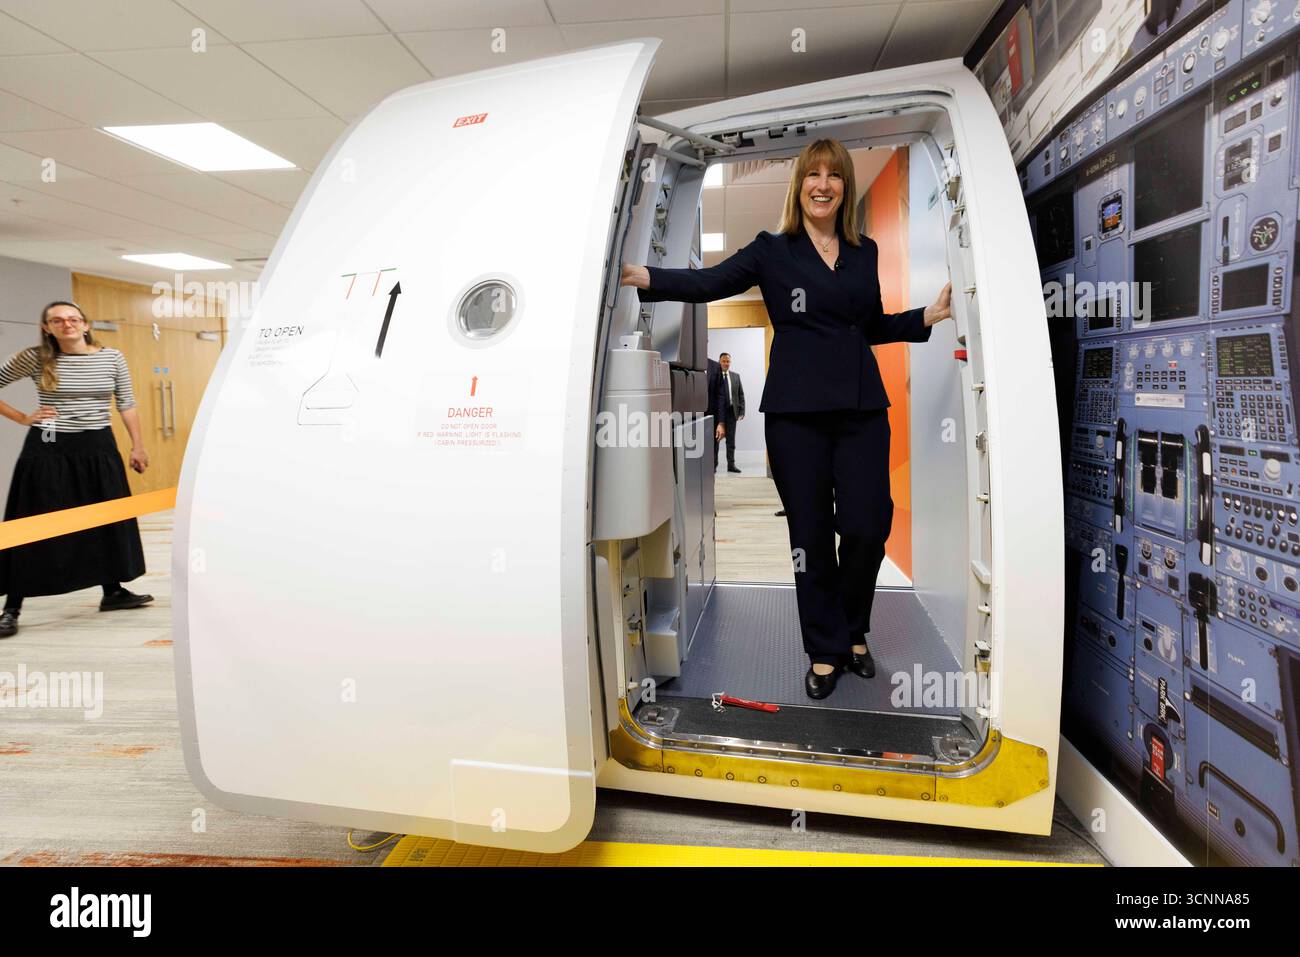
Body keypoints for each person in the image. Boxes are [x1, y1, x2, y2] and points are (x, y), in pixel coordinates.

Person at [621, 138, 952, 700]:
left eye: (835, 175)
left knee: (869, 526)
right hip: (796, 414)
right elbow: (709, 284)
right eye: (812, 175)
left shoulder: (864, 250)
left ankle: (854, 630)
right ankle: (827, 649)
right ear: (799, 185)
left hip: (861, 408)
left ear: (844, 187)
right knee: (813, 536)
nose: (823, 184)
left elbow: (868, 324)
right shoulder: (772, 250)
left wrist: (926, 315)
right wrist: (641, 275)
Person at [0, 301, 153, 639]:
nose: (66, 324)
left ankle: (112, 591)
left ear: (85, 324)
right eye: (57, 320)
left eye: (72, 319)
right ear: (46, 328)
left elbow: (126, 402)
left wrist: (137, 445)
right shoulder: (34, 357)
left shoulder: (111, 357)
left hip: (98, 446)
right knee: (34, 522)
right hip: (49, 446)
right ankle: (12, 607)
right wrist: (24, 418)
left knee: (105, 518)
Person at [716, 352, 744, 473]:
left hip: (732, 412)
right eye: (724, 361)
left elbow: (741, 394)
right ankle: (713, 465)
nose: (726, 363)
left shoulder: (736, 376)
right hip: (718, 413)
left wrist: (742, 410)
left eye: (728, 361)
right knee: (716, 440)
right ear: (719, 362)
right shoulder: (715, 376)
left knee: (731, 440)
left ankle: (731, 465)